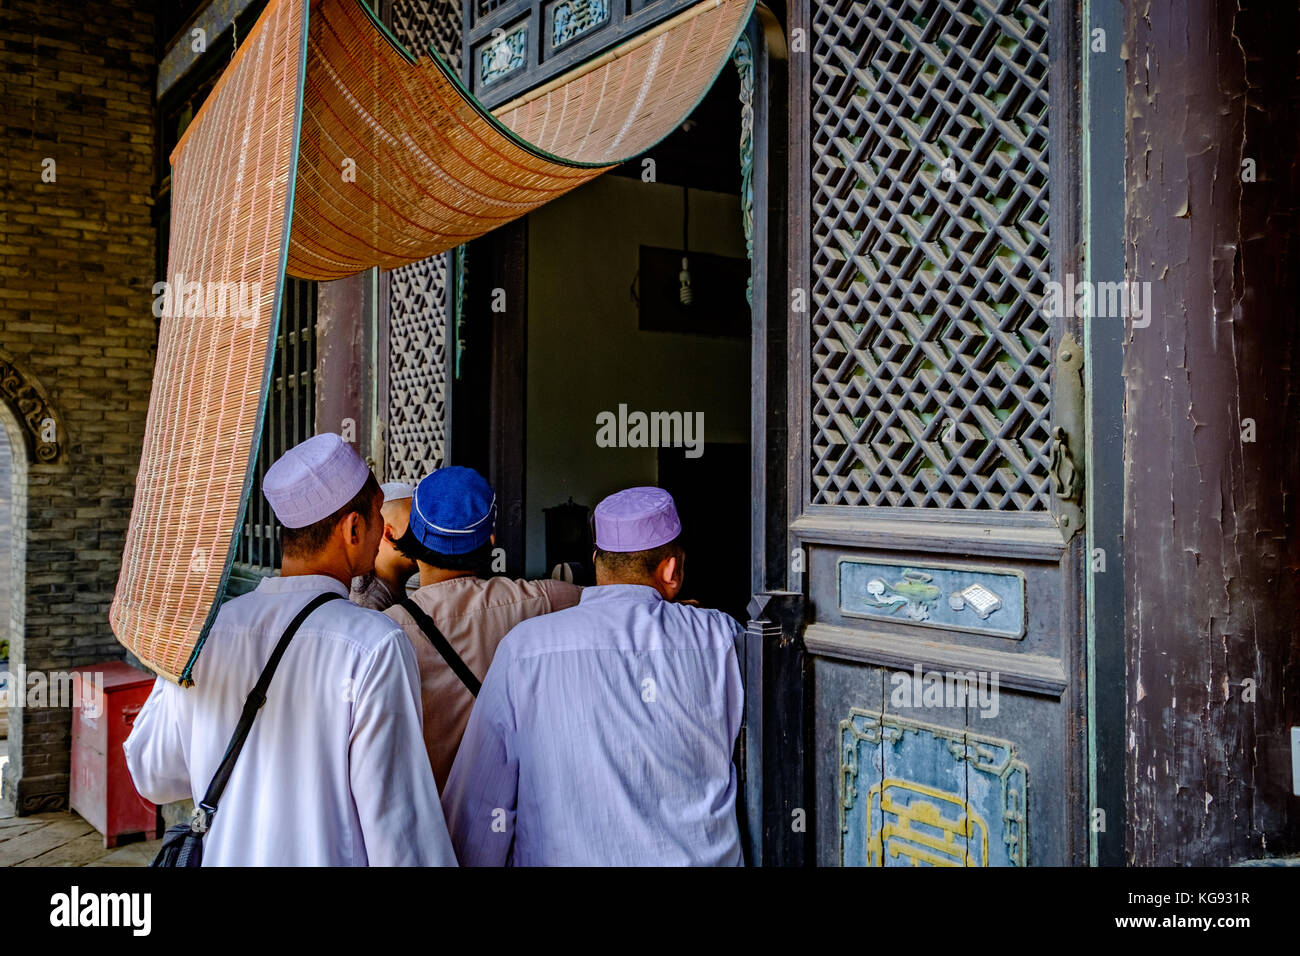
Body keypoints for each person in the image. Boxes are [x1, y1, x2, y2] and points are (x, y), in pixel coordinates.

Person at [123, 433, 457, 866]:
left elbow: (152, 773)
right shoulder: (373, 647)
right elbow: (401, 835)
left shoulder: (207, 634)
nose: (383, 533)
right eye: (378, 518)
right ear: (353, 529)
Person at [441, 485, 744, 866]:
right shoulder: (720, 637)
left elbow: (482, 805)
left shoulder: (525, 649)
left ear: (597, 560)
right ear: (671, 569)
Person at [383, 466, 580, 789]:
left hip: (428, 821)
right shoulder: (537, 601)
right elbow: (615, 603)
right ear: (490, 539)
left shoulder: (387, 629)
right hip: (506, 818)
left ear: (414, 536)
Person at [350, 480, 417, 611]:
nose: (424, 535)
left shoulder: (386, 591)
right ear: (389, 534)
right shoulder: (367, 605)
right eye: (415, 526)